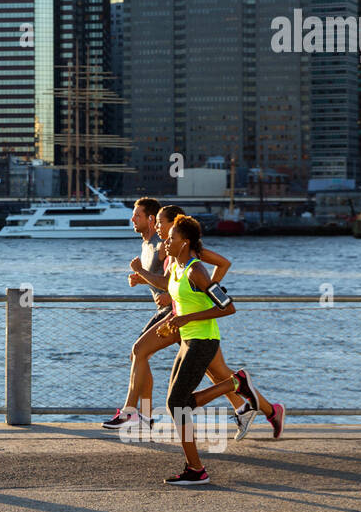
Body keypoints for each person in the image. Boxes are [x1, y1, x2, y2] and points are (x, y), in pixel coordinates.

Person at [121, 205, 285, 440]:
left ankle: (137, 413)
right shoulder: (172, 255)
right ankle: (263, 409)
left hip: (192, 324)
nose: (157, 227)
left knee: (141, 353)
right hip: (181, 322)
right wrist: (146, 279)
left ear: (178, 231)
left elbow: (223, 276)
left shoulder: (192, 259)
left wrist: (203, 298)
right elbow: (169, 283)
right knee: (216, 372)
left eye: (161, 222)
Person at [130, 215, 258, 484]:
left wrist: (186, 319)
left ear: (185, 242)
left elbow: (228, 307)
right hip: (188, 340)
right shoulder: (176, 269)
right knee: (176, 404)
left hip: (204, 341)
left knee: (177, 404)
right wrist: (170, 323)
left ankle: (197, 468)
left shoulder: (196, 271)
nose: (166, 241)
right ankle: (235, 384)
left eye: (172, 238)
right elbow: (170, 290)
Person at [102, 197, 170, 430]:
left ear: (151, 219)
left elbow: (182, 273)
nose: (132, 218)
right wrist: (141, 279)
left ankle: (132, 413)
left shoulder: (162, 244)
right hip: (165, 310)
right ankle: (147, 416)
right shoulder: (146, 244)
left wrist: (170, 294)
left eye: (137, 215)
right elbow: (159, 279)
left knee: (138, 352)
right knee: (139, 355)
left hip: (175, 311)